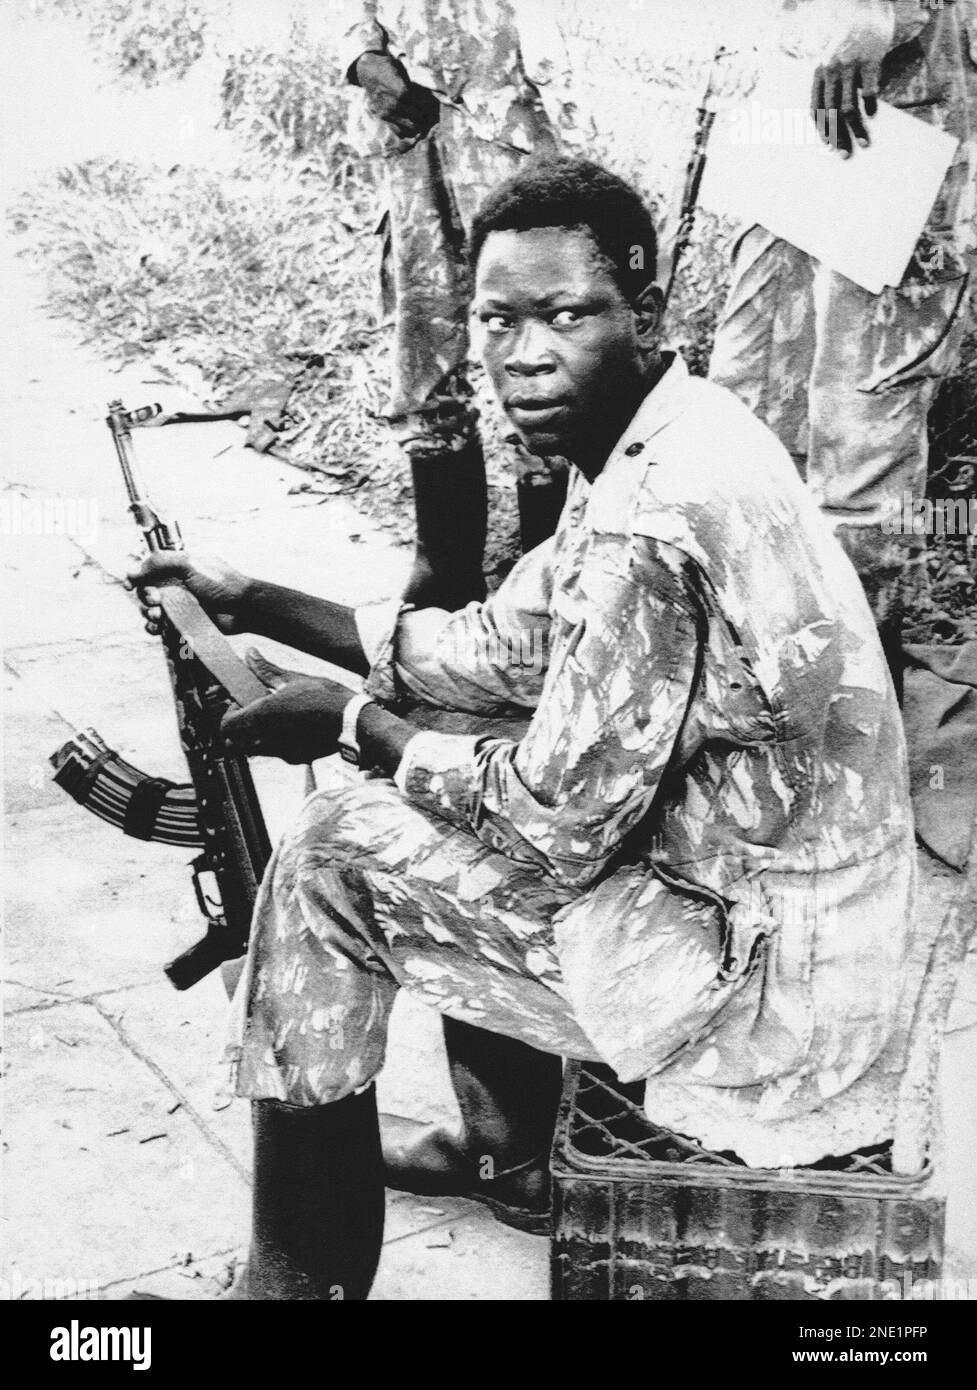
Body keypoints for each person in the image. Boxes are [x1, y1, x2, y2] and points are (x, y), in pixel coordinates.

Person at [131, 158, 915, 1300]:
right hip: (765, 911)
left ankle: (289, 1293)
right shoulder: (664, 429)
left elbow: (551, 821)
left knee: (330, 861)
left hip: (768, 991)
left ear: (641, 313)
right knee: (448, 737)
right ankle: (503, 1148)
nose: (525, 352)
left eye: (566, 315)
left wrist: (355, 723)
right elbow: (505, 646)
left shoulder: (654, 515)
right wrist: (255, 598)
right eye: (497, 321)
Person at [709, 0, 977, 698]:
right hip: (787, 84)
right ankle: (760, 692)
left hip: (892, 104)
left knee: (861, 450)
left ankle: (857, 727)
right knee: (748, 413)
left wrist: (880, 12)